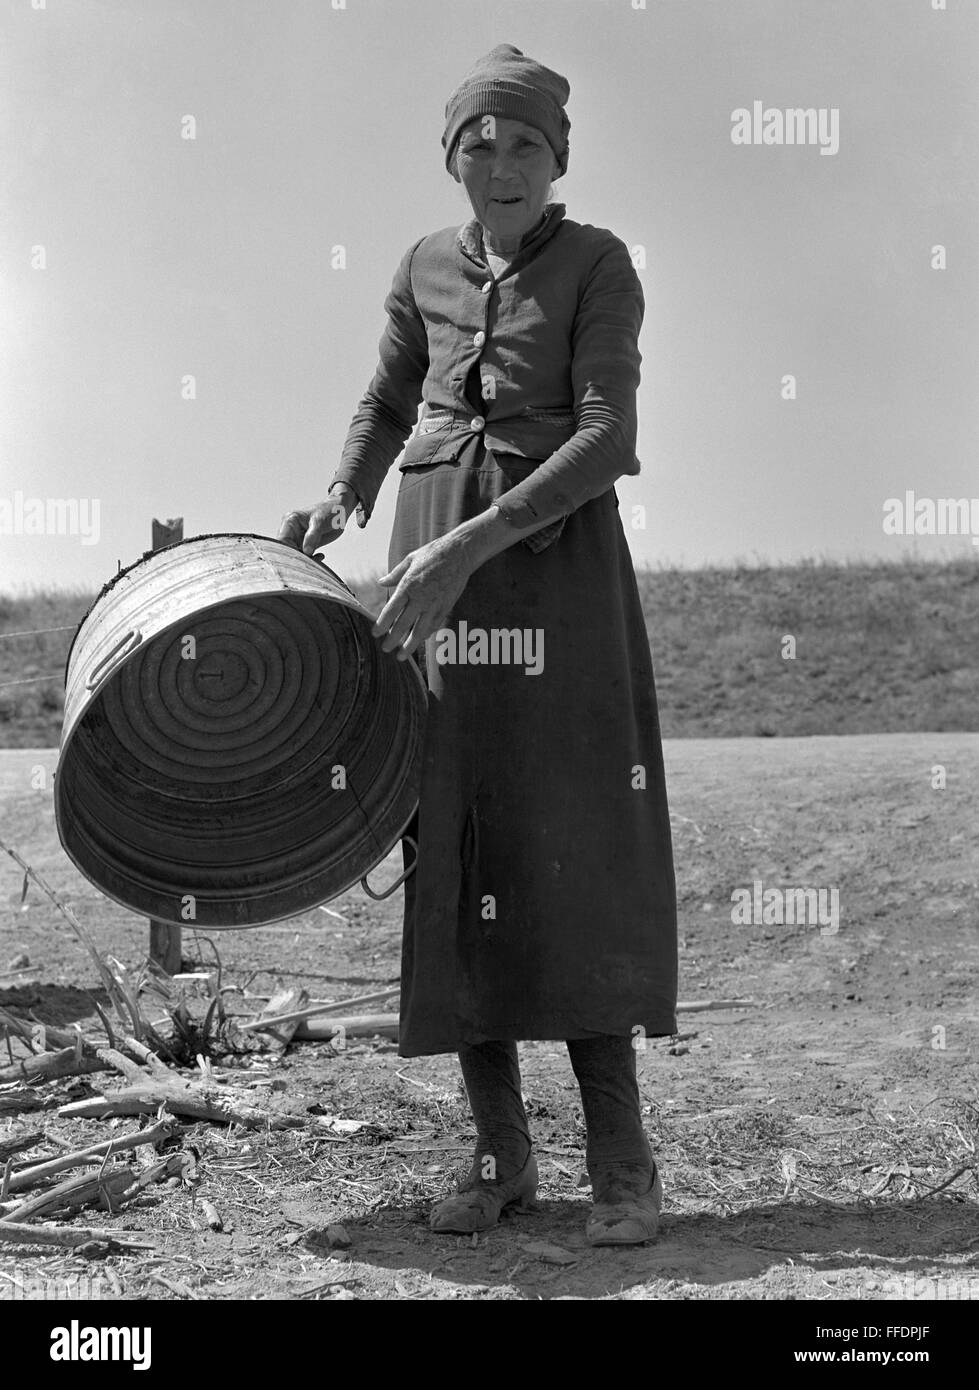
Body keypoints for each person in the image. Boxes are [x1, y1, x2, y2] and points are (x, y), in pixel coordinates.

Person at [279, 43, 678, 1246]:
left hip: (551, 575)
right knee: (454, 835)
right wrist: (346, 493)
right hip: (424, 561)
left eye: (522, 144)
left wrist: (469, 551)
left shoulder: (599, 264)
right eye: (476, 142)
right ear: (449, 156)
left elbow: (608, 439)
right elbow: (388, 395)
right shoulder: (419, 266)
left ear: (558, 160)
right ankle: (500, 1153)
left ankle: (622, 1161)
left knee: (571, 841)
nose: (498, 162)